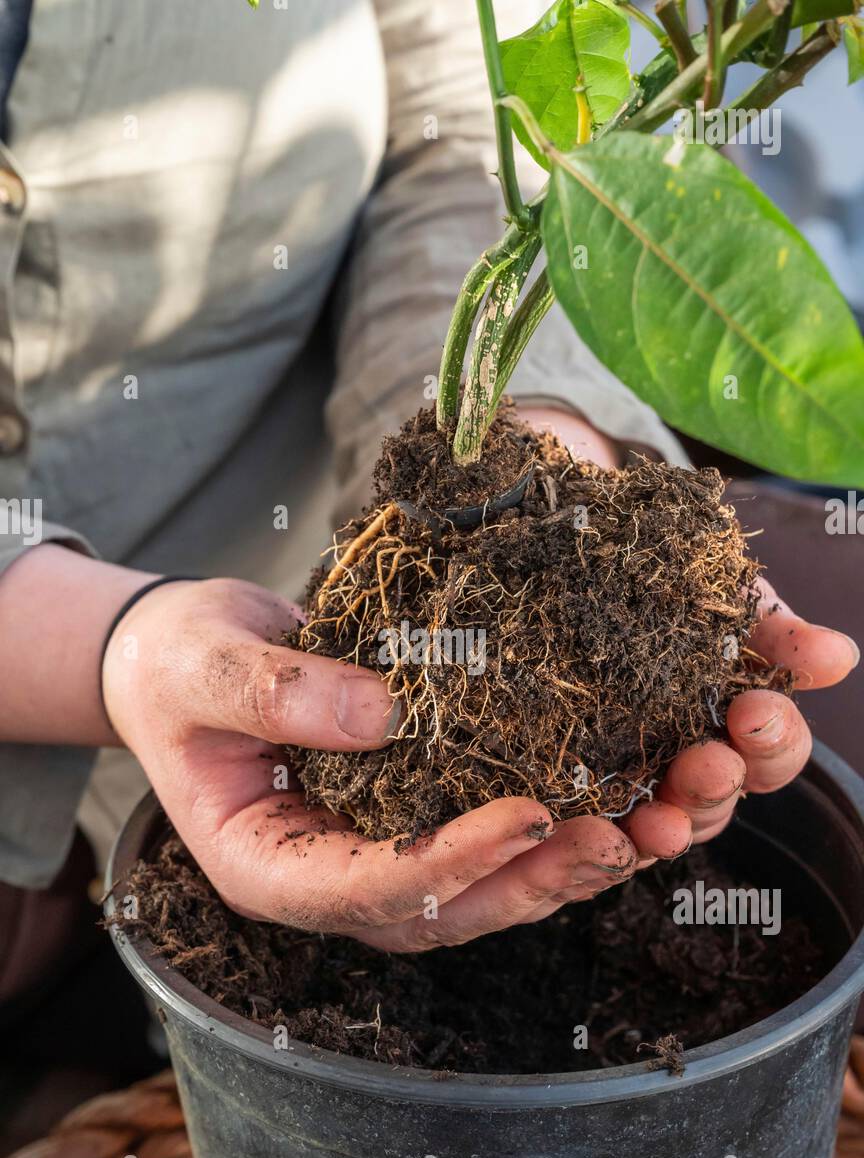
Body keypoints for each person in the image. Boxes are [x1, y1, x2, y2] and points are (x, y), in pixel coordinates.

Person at [0, 0, 857, 985]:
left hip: (297, 620)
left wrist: (519, 427)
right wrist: (116, 647)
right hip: (186, 724)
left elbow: (463, 106)